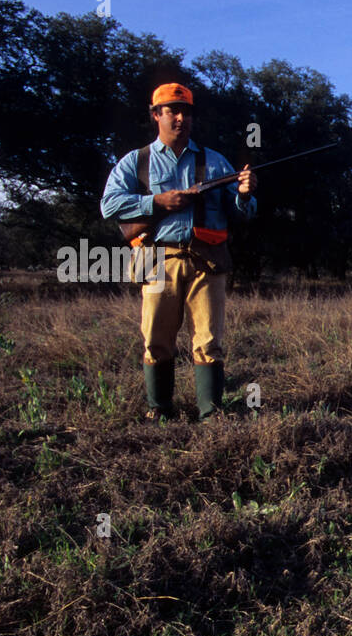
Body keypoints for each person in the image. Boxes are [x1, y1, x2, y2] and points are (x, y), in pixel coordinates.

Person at [100, 83, 258, 420]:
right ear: (156, 114)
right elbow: (109, 205)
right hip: (156, 261)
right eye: (172, 111)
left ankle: (210, 413)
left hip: (207, 261)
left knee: (209, 341)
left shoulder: (215, 162)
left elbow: (243, 213)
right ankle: (159, 410)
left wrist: (244, 194)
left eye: (186, 112)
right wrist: (157, 201)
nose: (181, 118)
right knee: (156, 339)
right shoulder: (136, 161)